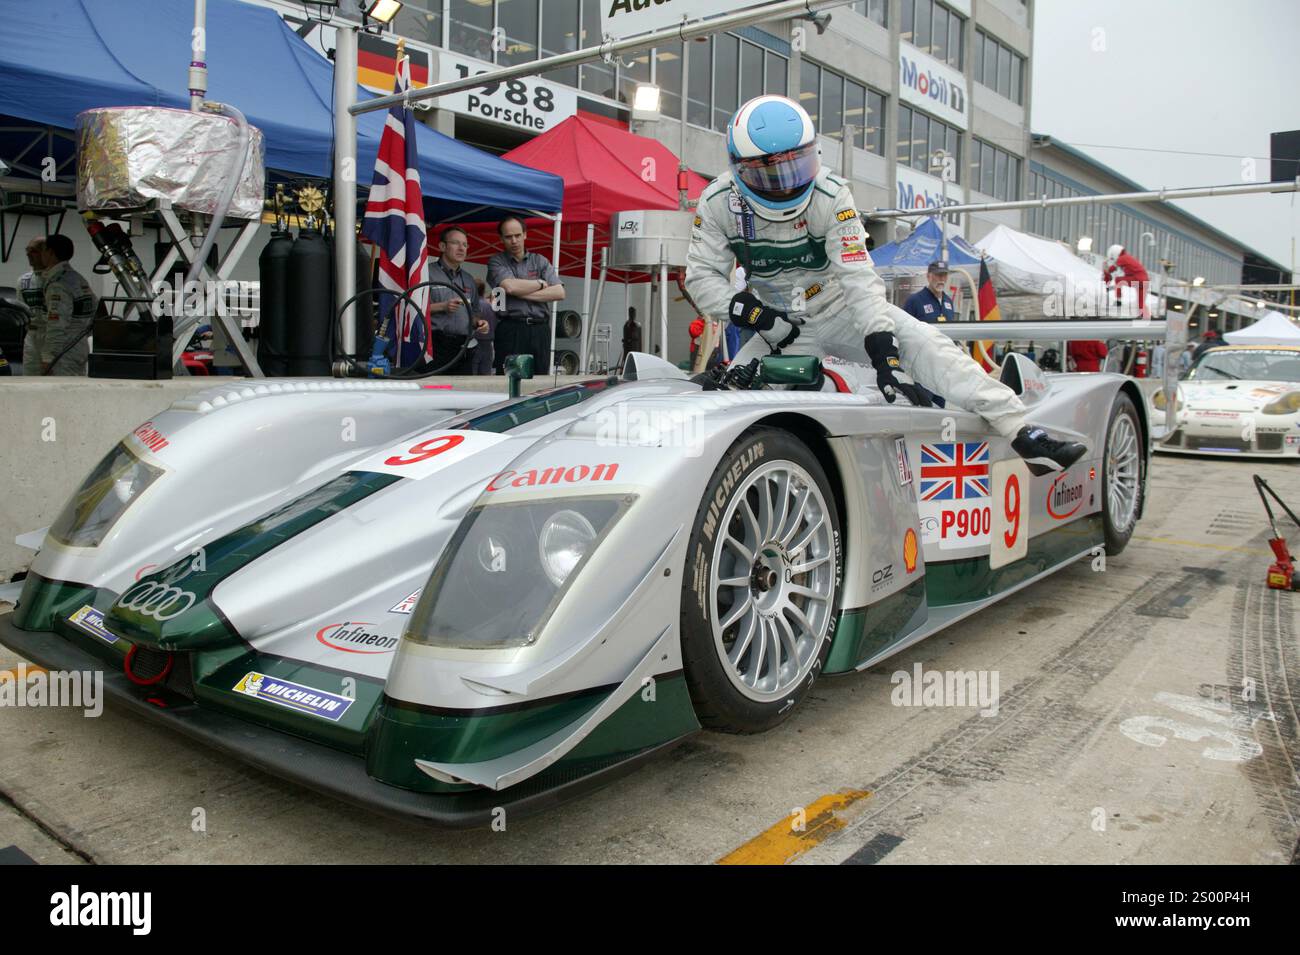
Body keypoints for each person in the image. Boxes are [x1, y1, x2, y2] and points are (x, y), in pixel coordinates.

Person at [685, 94, 1086, 474]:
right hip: (779, 328)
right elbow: (701, 277)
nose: (789, 183)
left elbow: (860, 280)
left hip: (840, 308)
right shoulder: (720, 201)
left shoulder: (831, 194)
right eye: (774, 172)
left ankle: (1022, 430)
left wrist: (884, 352)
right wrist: (754, 314)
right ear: (741, 168)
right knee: (730, 410)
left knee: (930, 346)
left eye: (797, 166)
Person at [487, 216, 565, 375]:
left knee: (540, 381)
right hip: (511, 327)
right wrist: (541, 283)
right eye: (508, 237)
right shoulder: (497, 261)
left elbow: (559, 292)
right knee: (511, 380)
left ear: (525, 235)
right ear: (501, 238)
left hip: (540, 329)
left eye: (517, 235)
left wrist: (520, 293)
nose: (514, 241)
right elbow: (509, 287)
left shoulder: (540, 261)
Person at [427, 226, 488, 375]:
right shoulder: (427, 273)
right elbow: (411, 309)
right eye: (456, 243)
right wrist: (442, 306)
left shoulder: (468, 279)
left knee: (462, 393)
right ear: (442, 246)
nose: (461, 248)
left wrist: (479, 323)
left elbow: (474, 312)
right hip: (436, 344)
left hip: (463, 346)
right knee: (435, 393)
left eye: (465, 244)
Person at [35, 233, 97, 376]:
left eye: (43, 250)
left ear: (50, 252)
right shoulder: (78, 278)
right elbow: (95, 311)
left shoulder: (58, 283)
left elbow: (56, 325)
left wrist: (48, 358)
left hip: (63, 352)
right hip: (79, 346)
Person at [19, 237, 46, 375]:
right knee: (29, 376)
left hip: (52, 336)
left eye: (33, 250)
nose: (28, 254)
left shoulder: (60, 279)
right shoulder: (23, 281)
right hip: (32, 337)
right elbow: (21, 312)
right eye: (27, 250)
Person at [1102, 244, 1150, 316]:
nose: (1114, 259)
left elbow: (1111, 269)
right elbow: (1130, 274)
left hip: (1138, 279)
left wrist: (1105, 267)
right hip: (1145, 280)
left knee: (1118, 280)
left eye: (1112, 257)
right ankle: (1144, 315)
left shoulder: (1122, 258)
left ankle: (1118, 301)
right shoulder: (1128, 257)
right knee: (1141, 303)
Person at [470, 278, 496, 375]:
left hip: (474, 342)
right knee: (486, 373)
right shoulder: (489, 305)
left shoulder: (473, 306)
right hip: (488, 343)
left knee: (472, 372)